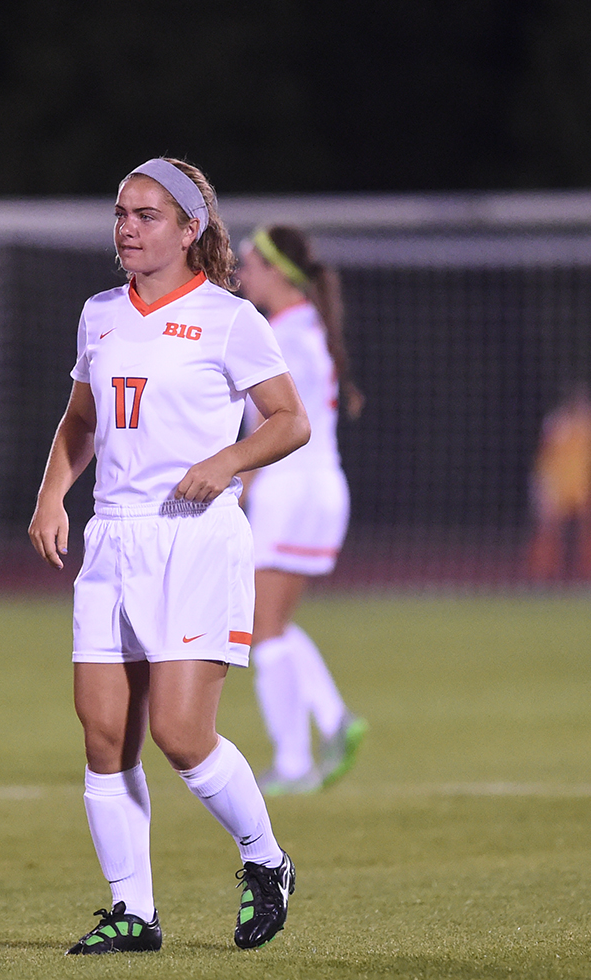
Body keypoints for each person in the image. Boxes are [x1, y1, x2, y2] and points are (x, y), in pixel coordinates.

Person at [28, 158, 309, 954]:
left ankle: (267, 862)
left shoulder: (228, 318)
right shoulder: (100, 314)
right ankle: (133, 913)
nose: (127, 228)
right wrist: (52, 495)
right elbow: (80, 420)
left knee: (182, 735)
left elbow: (290, 421)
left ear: (191, 229)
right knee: (102, 734)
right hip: (114, 537)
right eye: (121, 213)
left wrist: (228, 462)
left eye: (147, 215)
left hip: (195, 538)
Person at [234, 226, 368, 796]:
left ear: (276, 272)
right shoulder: (311, 327)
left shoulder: (275, 336)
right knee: (275, 625)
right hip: (321, 487)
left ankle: (292, 762)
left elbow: (272, 429)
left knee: (261, 628)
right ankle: (335, 721)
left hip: (289, 489)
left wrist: (238, 484)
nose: (240, 273)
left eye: (248, 262)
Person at [525, 384, 591, 581]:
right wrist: (541, 486)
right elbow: (543, 455)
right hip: (555, 486)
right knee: (548, 533)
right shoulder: (557, 422)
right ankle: (541, 576)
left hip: (584, 486)